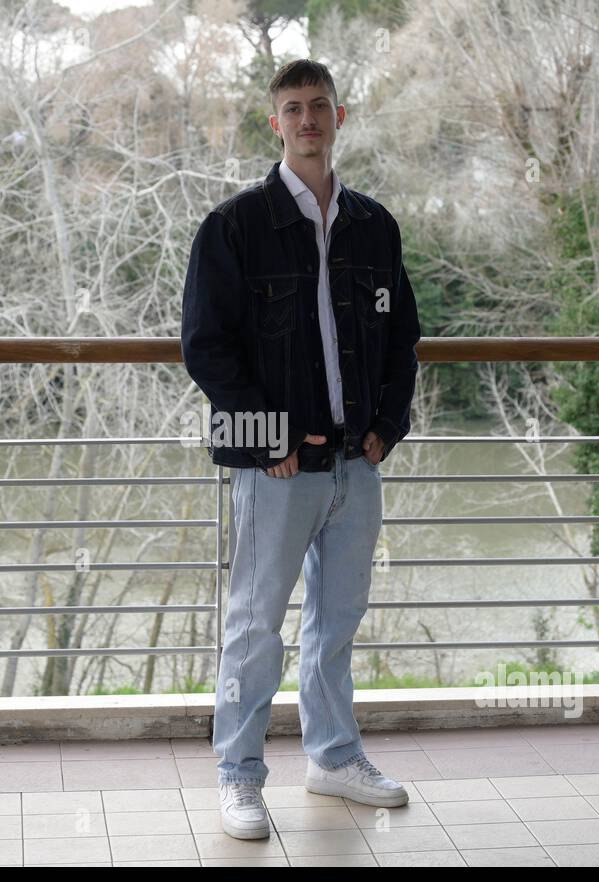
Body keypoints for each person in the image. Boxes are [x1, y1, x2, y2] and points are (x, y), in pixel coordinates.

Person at [180, 58, 422, 840]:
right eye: (293, 108)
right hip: (277, 470)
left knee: (337, 623)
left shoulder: (374, 226)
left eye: (320, 105)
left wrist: (387, 427)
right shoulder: (234, 226)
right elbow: (205, 347)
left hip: (358, 464)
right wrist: (267, 437)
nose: (308, 119)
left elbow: (403, 338)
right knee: (256, 628)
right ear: (275, 122)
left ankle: (335, 757)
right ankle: (239, 777)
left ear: (339, 117)